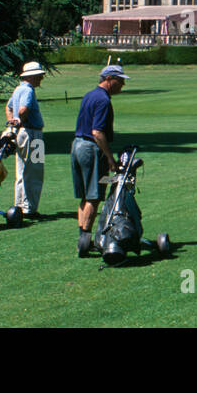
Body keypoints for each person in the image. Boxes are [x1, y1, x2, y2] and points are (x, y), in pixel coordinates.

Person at [71, 64, 130, 257]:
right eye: (120, 81)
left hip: (77, 145)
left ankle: (83, 237)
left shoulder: (89, 95)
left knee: (85, 196)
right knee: (94, 196)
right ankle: (85, 240)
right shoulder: (103, 100)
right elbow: (97, 132)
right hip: (90, 148)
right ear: (109, 79)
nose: (122, 85)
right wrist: (110, 158)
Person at [5, 61, 47, 218]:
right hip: (32, 134)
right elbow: (23, 109)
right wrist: (19, 119)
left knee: (22, 171)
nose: (41, 79)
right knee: (35, 172)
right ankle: (29, 209)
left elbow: (9, 107)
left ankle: (20, 206)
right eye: (39, 76)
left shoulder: (18, 89)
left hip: (21, 133)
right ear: (31, 77)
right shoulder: (28, 91)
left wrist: (12, 123)